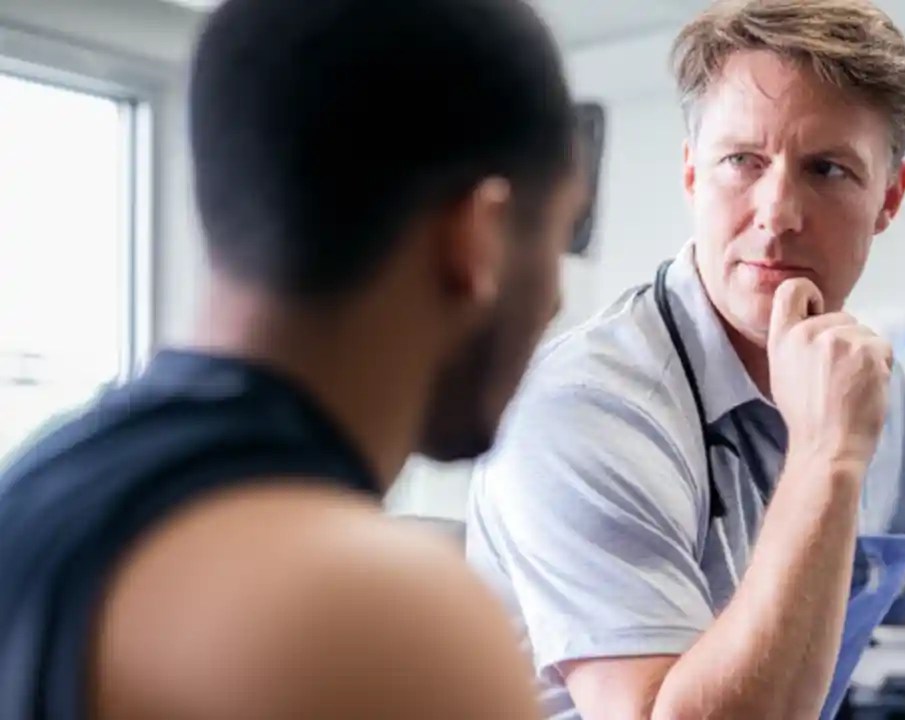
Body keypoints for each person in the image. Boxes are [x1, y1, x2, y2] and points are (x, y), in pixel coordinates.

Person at [0, 0, 585, 717]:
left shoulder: (35, 492)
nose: (556, 301)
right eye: (557, 239)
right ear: (480, 236)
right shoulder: (379, 620)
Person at [466, 1, 905, 718]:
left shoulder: (895, 412)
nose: (777, 212)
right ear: (691, 173)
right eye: (742, 161)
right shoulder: (581, 407)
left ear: (888, 200)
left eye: (828, 169)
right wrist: (826, 459)